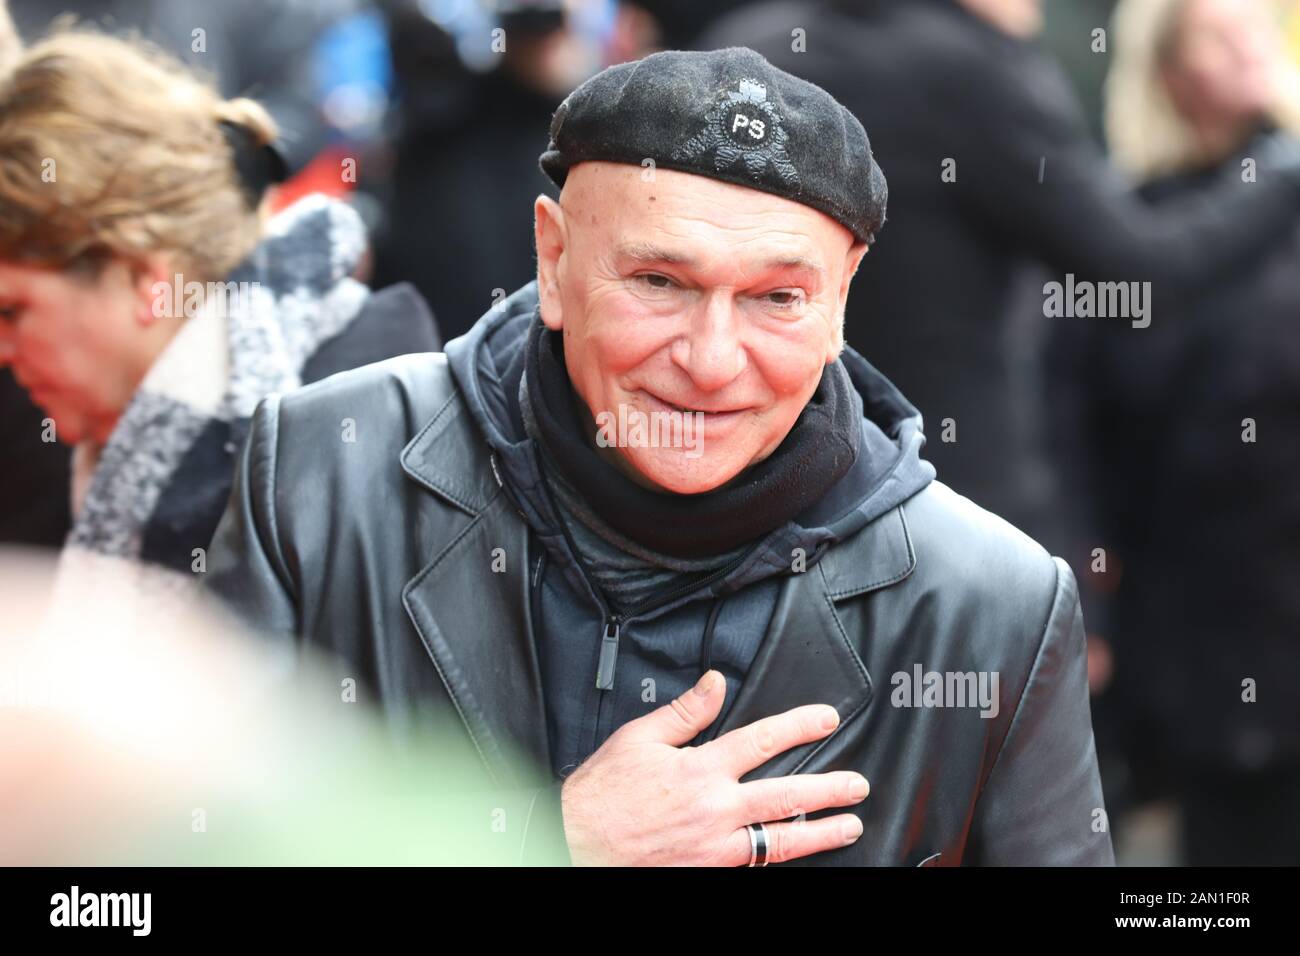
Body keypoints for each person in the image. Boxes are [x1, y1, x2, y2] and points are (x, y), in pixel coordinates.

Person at [207, 47, 1112, 866]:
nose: (711, 362)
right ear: (553, 261)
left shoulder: (997, 605)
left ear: (840, 301)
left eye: (778, 298)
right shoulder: (320, 470)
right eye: (658, 282)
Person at [702, 0, 1300, 543]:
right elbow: (1140, 271)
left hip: (757, 480)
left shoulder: (743, 48)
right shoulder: (973, 71)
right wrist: (1282, 173)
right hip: (949, 493)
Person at [0, 29, 440, 575]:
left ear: (143, 279)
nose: (2, 350)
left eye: (10, 311)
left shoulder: (347, 461)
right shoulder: (167, 457)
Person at [1049, 0, 1300, 865]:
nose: (1248, 55)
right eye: (1217, 39)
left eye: (1252, 33)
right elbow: (1070, 422)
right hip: (1185, 602)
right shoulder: (1126, 228)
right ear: (1168, 71)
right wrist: (1091, 598)